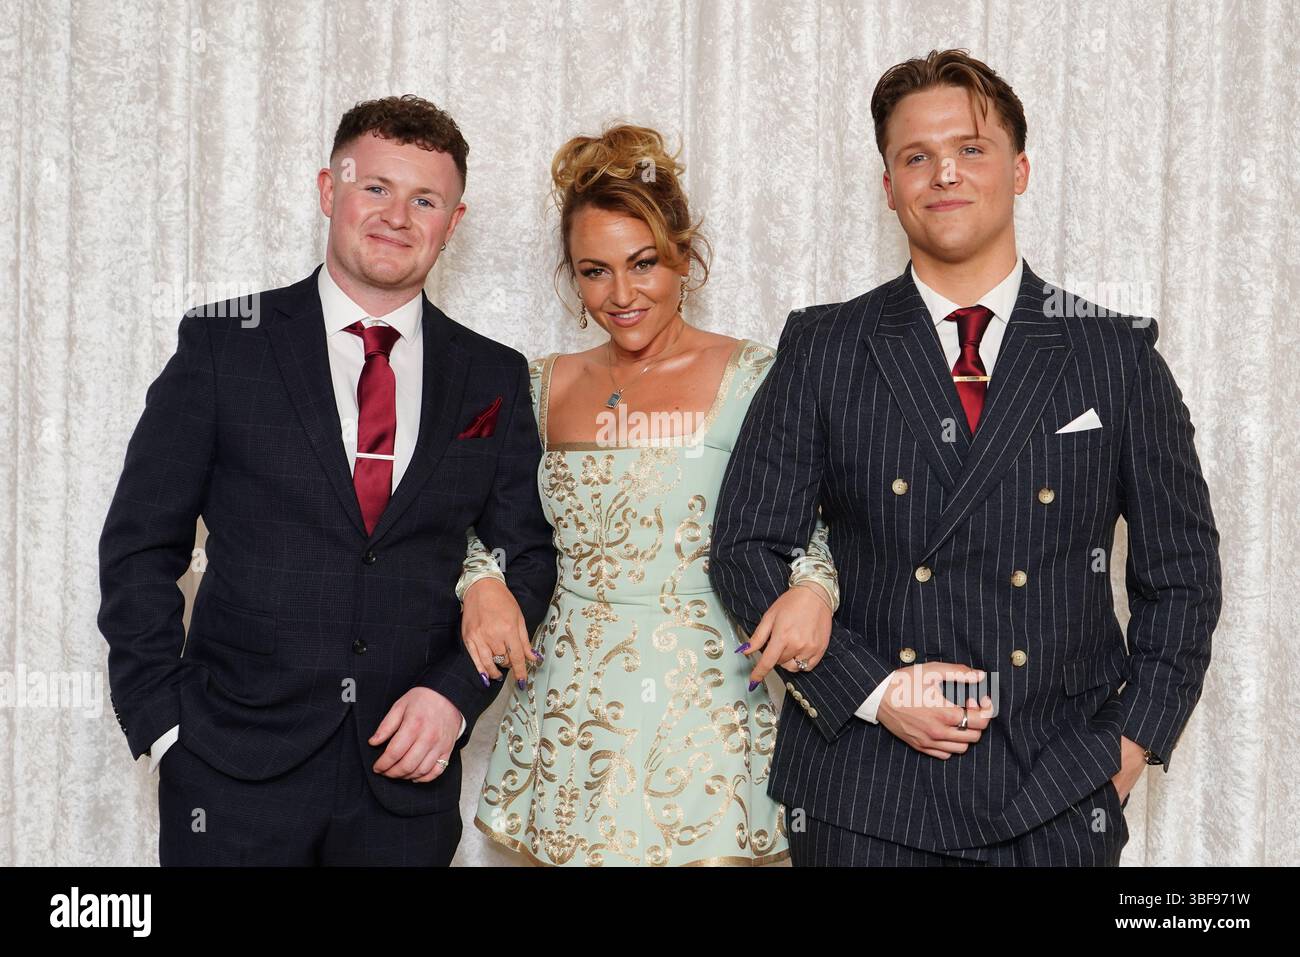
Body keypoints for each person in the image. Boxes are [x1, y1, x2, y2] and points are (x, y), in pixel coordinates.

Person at [710, 49, 1223, 866]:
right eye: (916, 156)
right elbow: (746, 547)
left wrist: (1129, 747)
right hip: (863, 792)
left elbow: (1183, 574)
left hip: (1056, 790)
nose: (944, 172)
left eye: (971, 149)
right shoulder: (825, 345)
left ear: (1019, 170)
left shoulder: (1115, 354)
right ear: (888, 186)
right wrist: (873, 692)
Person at [98, 94, 556, 865]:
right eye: (375, 187)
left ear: (454, 222)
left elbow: (526, 559)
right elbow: (141, 543)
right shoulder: (223, 345)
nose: (397, 216)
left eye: (425, 200)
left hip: (403, 788)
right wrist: (163, 722)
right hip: (228, 774)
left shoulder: (493, 377)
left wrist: (455, 695)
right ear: (327, 190)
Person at [455, 124, 840, 866]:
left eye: (644, 264)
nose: (622, 295)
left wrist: (814, 589)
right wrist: (482, 580)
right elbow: (477, 518)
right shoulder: (539, 384)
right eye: (595, 271)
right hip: (563, 720)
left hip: (705, 719)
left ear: (684, 258)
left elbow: (821, 522)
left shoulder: (756, 376)